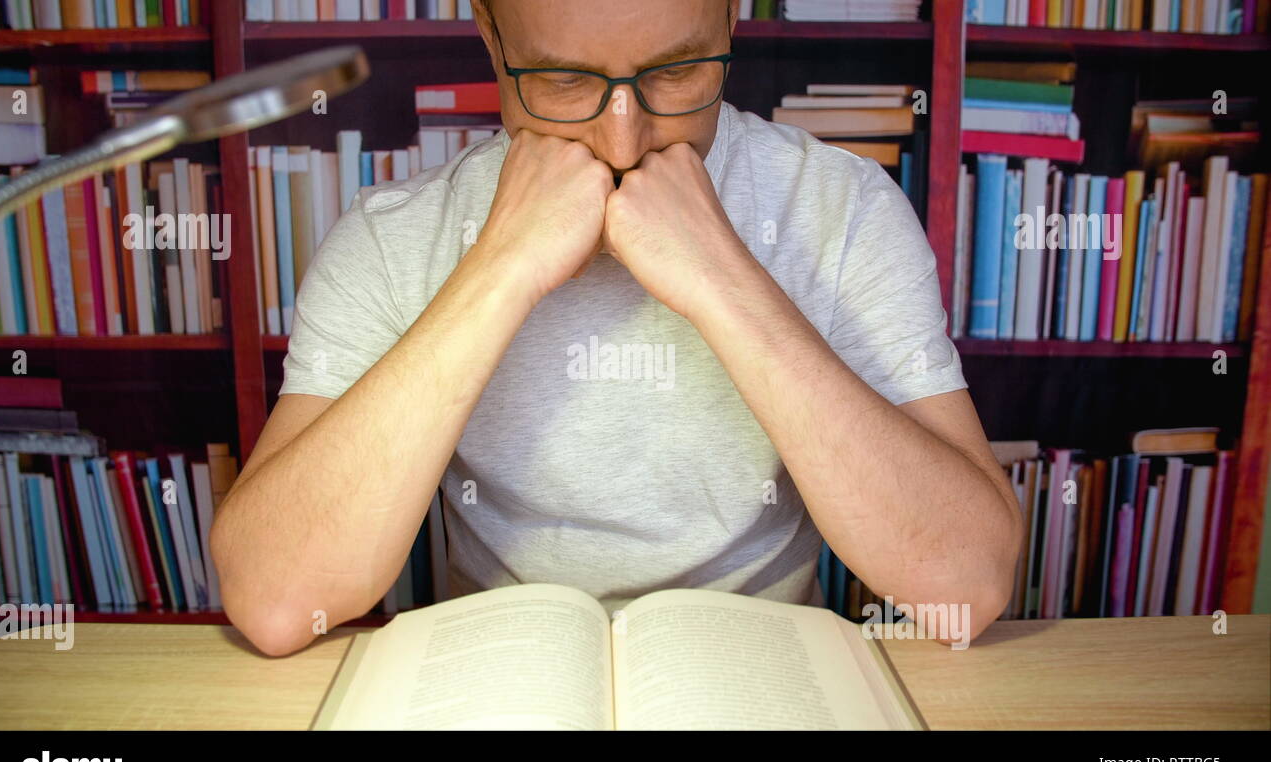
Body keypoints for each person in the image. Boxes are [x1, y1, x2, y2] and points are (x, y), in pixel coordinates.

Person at [211, 0, 1022, 657]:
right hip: (502, 690)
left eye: (676, 72)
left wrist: (722, 279)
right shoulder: (394, 236)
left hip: (764, 690)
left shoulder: (845, 211)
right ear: (491, 38)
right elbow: (277, 600)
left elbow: (967, 586)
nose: (623, 139)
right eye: (565, 80)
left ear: (732, 19)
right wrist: (499, 269)